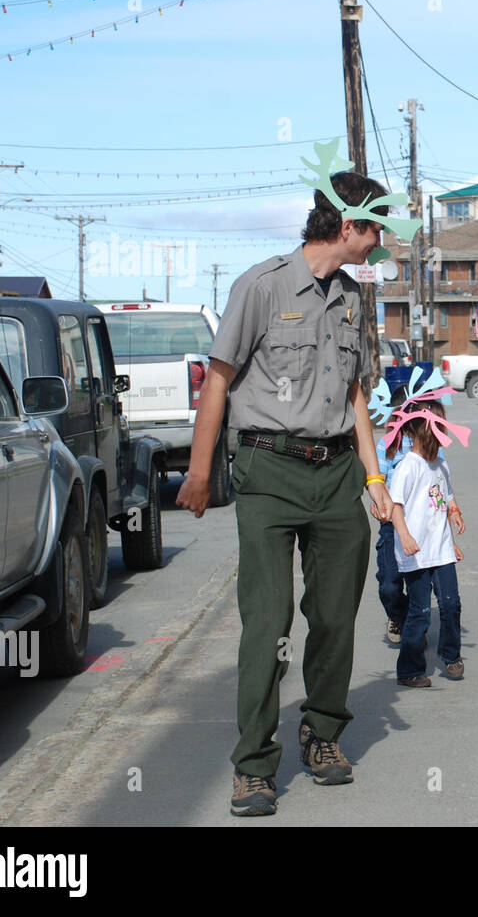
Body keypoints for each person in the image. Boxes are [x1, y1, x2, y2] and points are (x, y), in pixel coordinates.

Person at [176, 169, 395, 818]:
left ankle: (322, 732)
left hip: (336, 475)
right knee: (269, 620)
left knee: (334, 615)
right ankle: (253, 764)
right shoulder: (261, 286)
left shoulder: (355, 298)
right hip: (268, 470)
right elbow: (217, 380)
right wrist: (197, 470)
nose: (381, 239)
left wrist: (375, 475)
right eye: (376, 225)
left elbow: (356, 392)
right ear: (349, 226)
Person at [387, 398, 466, 688]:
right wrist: (405, 536)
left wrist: (454, 517)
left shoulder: (441, 465)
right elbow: (395, 506)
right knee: (419, 611)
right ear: (416, 431)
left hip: (441, 550)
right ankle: (409, 670)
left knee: (451, 604)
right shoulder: (408, 466)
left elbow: (445, 498)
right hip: (416, 554)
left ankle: (451, 654)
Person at [375, 386, 456, 646]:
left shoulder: (432, 446)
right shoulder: (386, 445)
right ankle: (399, 615)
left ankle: (415, 623)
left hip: (425, 529)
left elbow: (439, 485)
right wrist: (378, 502)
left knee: (423, 584)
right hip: (392, 525)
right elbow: (378, 480)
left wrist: (452, 512)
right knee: (389, 584)